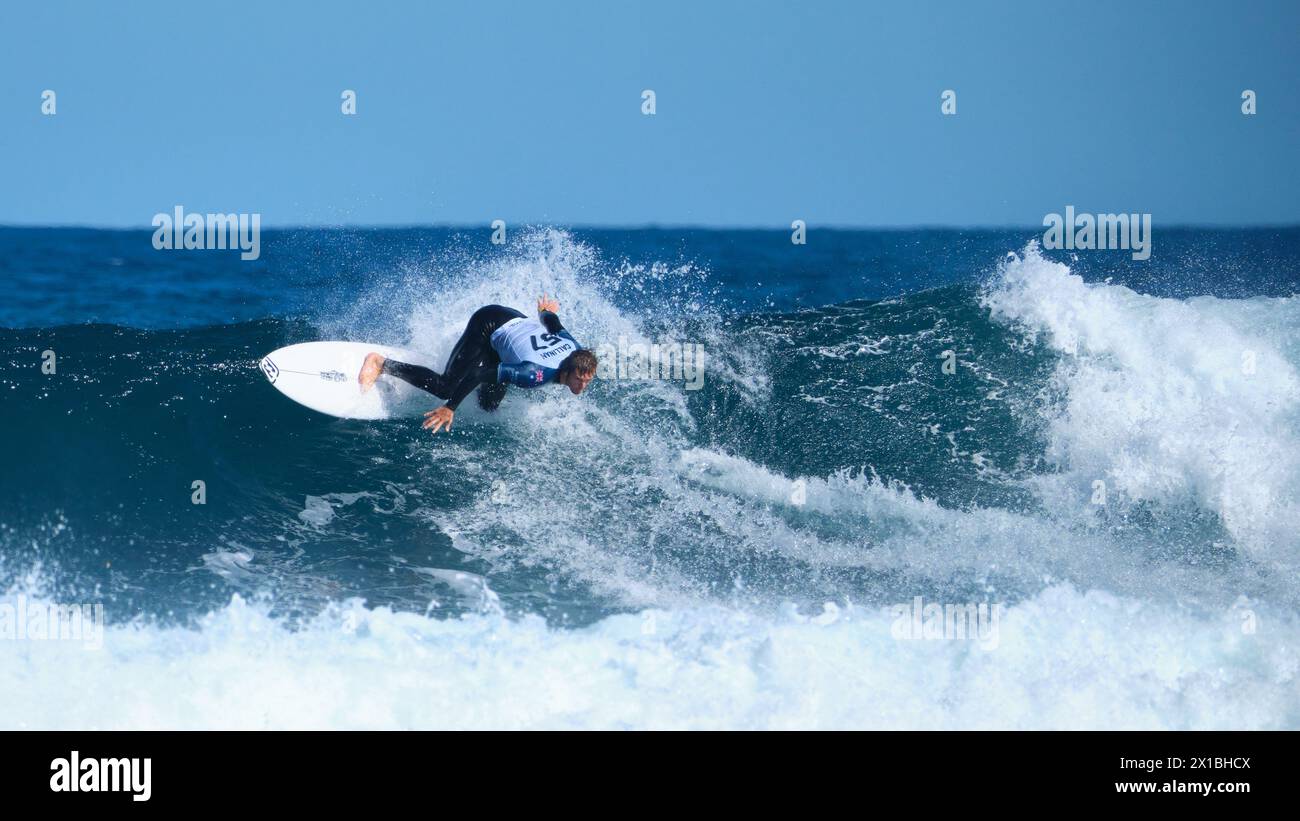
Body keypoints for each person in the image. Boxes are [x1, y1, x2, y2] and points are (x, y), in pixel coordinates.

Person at [358, 295, 597, 433]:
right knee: (446, 387)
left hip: (511, 330)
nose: (582, 386)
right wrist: (450, 407)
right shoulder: (534, 374)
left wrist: (545, 311)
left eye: (587, 381)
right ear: (567, 370)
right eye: (579, 379)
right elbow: (480, 374)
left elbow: (552, 323)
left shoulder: (574, 348)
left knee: (488, 407)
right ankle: (382, 364)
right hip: (490, 323)